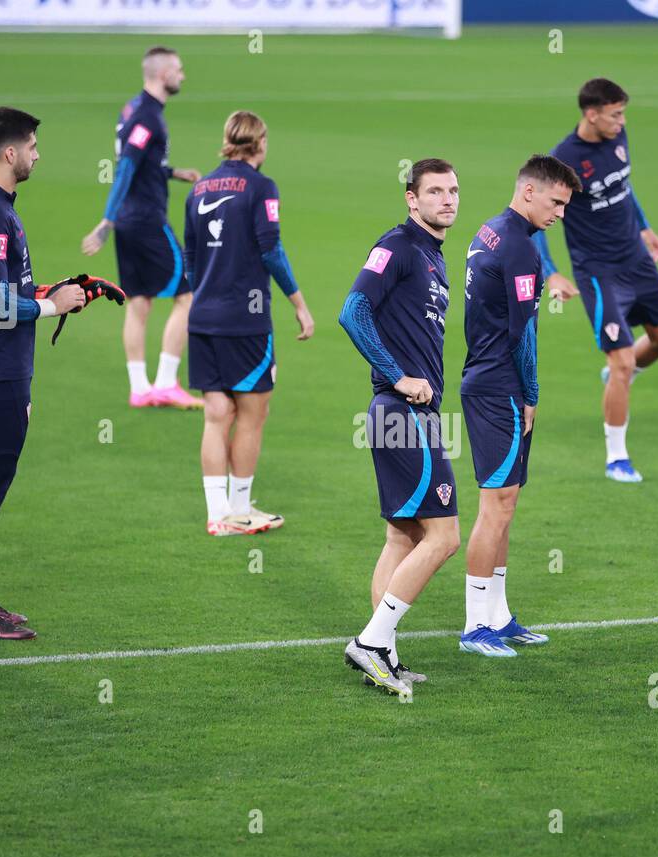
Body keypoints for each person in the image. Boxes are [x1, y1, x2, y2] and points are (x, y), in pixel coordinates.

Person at [0, 108, 98, 639]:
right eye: (32, 145)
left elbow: (4, 289)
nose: (37, 153)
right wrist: (53, 308)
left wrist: (52, 293)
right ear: (9, 153)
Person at [337, 159, 462, 697]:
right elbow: (353, 310)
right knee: (445, 537)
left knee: (402, 534)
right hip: (402, 410)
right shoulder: (399, 247)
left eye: (454, 191)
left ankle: (383, 651)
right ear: (412, 199)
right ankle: (370, 642)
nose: (448, 199)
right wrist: (399, 376)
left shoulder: (433, 256)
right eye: (435, 191)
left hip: (399, 414)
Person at [458, 155, 580, 657]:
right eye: (556, 202)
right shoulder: (520, 250)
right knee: (496, 505)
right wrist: (531, 395)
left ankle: (498, 615)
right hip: (497, 387)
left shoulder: (490, 230)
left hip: (482, 378)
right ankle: (474, 626)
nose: (561, 214)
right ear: (529, 192)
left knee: (505, 504)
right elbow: (525, 334)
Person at [534, 77, 658, 483]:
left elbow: (623, 185)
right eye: (615, 114)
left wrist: (644, 226)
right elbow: (536, 221)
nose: (622, 121)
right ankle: (616, 457)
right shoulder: (563, 160)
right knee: (622, 361)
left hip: (636, 259)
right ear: (591, 113)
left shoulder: (619, 136)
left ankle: (623, 371)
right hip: (598, 272)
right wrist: (552, 273)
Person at [184, 111, 313, 536]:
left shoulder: (198, 188)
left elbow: (189, 258)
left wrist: (204, 295)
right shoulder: (261, 187)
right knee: (253, 413)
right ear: (260, 143)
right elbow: (271, 250)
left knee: (216, 413)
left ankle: (216, 514)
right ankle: (239, 510)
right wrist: (299, 302)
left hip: (202, 317)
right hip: (246, 320)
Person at [81, 46, 203, 409]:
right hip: (146, 221)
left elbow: (142, 162)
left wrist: (173, 173)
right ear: (163, 74)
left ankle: (140, 389)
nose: (182, 75)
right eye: (179, 70)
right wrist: (106, 219)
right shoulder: (147, 117)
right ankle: (165, 383)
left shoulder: (131, 109)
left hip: (129, 224)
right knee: (188, 296)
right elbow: (126, 168)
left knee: (139, 303)